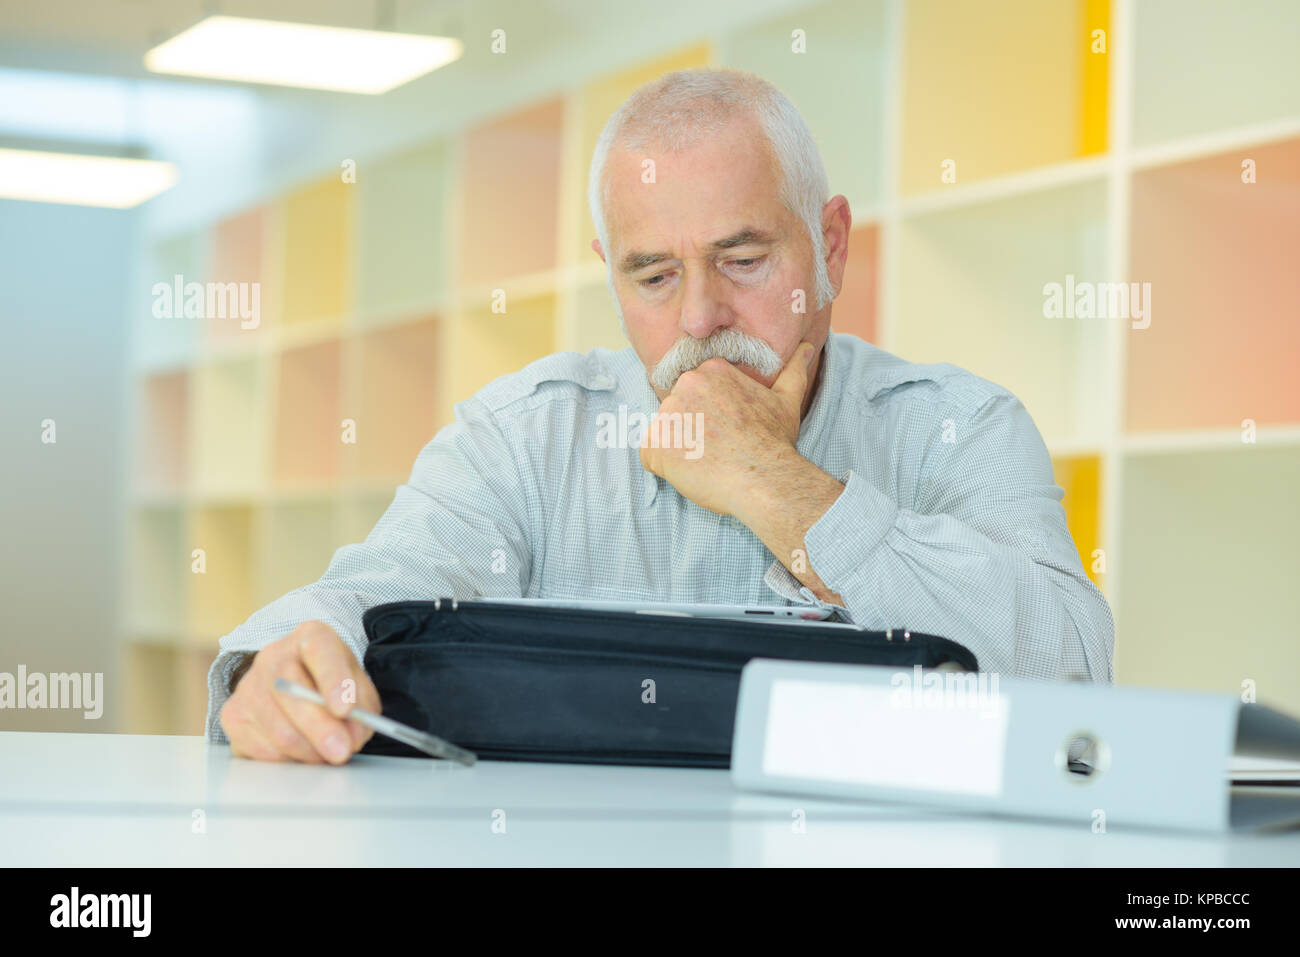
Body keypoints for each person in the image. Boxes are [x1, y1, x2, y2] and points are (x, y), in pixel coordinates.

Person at [210, 67, 1114, 764]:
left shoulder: (960, 428)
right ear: (609, 269)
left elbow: (1073, 677)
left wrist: (781, 487)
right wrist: (274, 667)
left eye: (744, 258)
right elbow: (370, 593)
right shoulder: (526, 438)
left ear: (829, 244)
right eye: (653, 275)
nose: (698, 319)